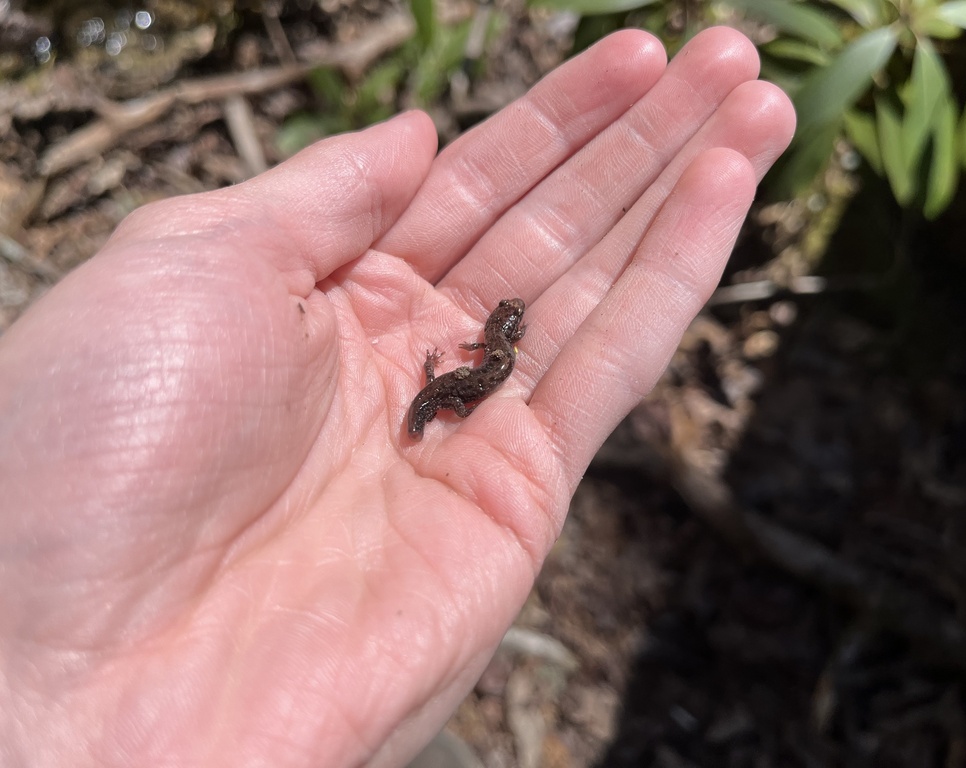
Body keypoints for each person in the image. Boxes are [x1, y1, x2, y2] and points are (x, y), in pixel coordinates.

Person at [0, 26, 794, 767]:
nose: (504, 324)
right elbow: (470, 375)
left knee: (443, 396)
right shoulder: (494, 354)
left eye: (504, 322)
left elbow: (468, 375)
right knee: (442, 397)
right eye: (505, 319)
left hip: (455, 392)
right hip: (455, 393)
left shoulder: (491, 354)